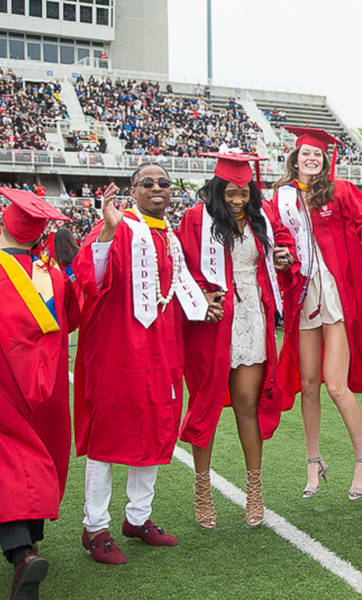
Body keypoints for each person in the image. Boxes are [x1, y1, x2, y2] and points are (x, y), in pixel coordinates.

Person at [72, 162, 211, 564]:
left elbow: (177, 289)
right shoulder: (116, 227)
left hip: (161, 348)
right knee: (107, 433)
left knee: (155, 425)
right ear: (133, 190)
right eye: (146, 182)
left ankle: (137, 517)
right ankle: (95, 526)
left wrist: (205, 304)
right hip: (117, 349)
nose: (156, 188)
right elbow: (91, 278)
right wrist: (109, 230)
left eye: (163, 182)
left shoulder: (170, 237)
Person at [177, 152, 296, 528]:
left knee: (248, 404)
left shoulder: (262, 219)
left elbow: (284, 251)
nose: (238, 200)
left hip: (251, 319)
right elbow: (182, 266)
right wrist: (202, 294)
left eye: (244, 193)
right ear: (217, 191)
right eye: (231, 193)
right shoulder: (196, 219)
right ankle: (202, 489)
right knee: (206, 404)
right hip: (212, 323)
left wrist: (283, 257)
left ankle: (254, 491)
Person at [272, 126, 362, 501]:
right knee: (308, 385)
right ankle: (313, 462)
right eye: (306, 153)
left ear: (325, 161)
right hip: (303, 294)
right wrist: (281, 256)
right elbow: (277, 239)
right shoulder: (281, 198)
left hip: (334, 294)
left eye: (317, 155)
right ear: (295, 159)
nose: (311, 158)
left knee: (336, 385)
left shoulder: (341, 191)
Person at [0, 189, 78, 600]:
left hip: (5, 386)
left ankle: (21, 552)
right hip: (46, 387)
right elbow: (74, 317)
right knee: (35, 454)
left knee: (7, 460)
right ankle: (30, 544)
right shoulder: (54, 277)